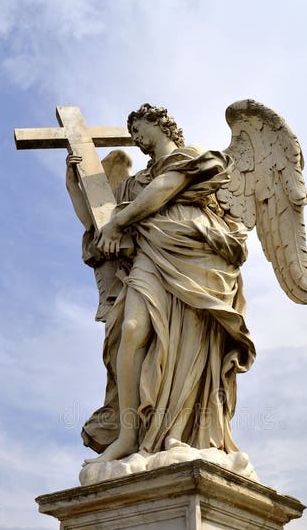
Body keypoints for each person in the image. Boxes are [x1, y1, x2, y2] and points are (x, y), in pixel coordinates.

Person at [71, 103, 256, 463]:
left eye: (140, 127)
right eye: (134, 131)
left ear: (161, 124)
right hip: (150, 254)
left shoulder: (193, 157)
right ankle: (128, 435)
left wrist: (120, 221)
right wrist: (75, 188)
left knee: (190, 341)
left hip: (194, 251)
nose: (137, 137)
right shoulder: (134, 183)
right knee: (131, 329)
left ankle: (180, 432)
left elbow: (164, 189)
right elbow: (100, 225)